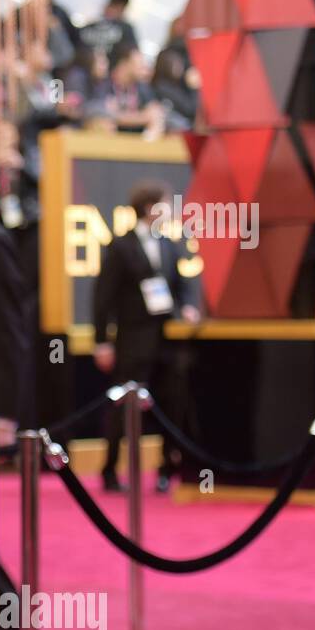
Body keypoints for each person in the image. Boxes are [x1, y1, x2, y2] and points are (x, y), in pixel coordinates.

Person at [93, 180, 200, 493]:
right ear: (150, 207)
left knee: (170, 403)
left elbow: (181, 284)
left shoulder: (169, 244)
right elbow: (104, 298)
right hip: (131, 339)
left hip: (166, 339)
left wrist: (189, 307)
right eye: (165, 204)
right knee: (122, 407)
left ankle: (167, 469)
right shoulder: (120, 246)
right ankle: (110, 470)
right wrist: (102, 340)